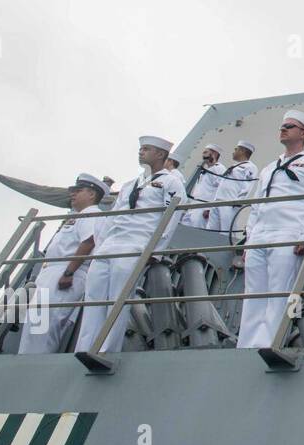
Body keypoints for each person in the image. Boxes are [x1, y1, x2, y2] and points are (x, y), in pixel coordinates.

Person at [75, 136, 186, 353]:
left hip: (136, 244)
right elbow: (114, 215)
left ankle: (106, 349)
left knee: (119, 298)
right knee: (94, 299)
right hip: (110, 244)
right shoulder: (129, 185)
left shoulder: (171, 182)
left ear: (161, 154)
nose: (141, 152)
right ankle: (84, 347)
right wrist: (102, 244)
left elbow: (172, 214)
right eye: (140, 149)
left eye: (146, 149)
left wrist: (156, 249)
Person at [236, 112, 304, 348]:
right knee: (253, 294)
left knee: (283, 293)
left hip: (290, 235)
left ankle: (272, 342)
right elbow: (257, 206)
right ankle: (247, 344)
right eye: (282, 126)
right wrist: (249, 240)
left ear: (303, 133)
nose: (283, 129)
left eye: (289, 126)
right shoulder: (269, 168)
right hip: (260, 236)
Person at [18, 174, 110, 354]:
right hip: (54, 272)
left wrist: (69, 273)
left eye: (78, 191)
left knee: (46, 324)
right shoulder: (78, 216)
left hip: (66, 273)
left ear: (92, 194)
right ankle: (28, 362)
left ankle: (34, 367)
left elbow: (88, 241)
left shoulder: (92, 213)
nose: (73, 194)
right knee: (37, 324)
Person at [211, 141, 258, 234]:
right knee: (210, 231)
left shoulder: (250, 167)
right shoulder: (233, 166)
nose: (233, 151)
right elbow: (219, 183)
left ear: (242, 151)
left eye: (236, 149)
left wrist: (238, 202)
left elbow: (248, 186)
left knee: (226, 232)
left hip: (230, 203)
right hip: (217, 201)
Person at [181, 144, 226, 230]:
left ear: (214, 154)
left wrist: (210, 208)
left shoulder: (219, 169)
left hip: (203, 208)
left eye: (206, 152)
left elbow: (221, 190)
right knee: (184, 228)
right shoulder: (205, 169)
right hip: (193, 207)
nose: (203, 154)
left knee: (196, 232)